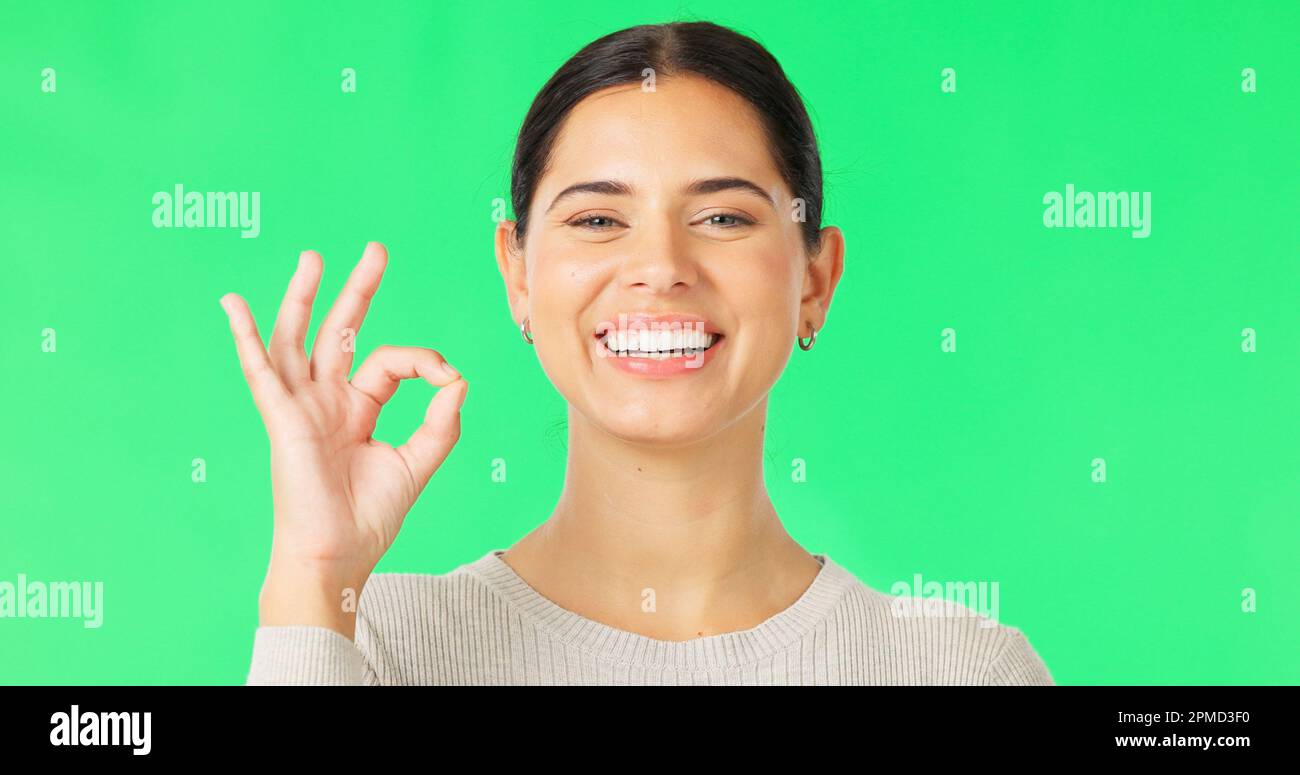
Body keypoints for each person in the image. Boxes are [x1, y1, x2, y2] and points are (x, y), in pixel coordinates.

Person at [225, 20, 1054, 685]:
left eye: (723, 217)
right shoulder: (370, 647)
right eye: (596, 220)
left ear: (814, 279)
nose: (660, 267)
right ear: (518, 273)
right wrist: (311, 574)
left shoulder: (962, 669)